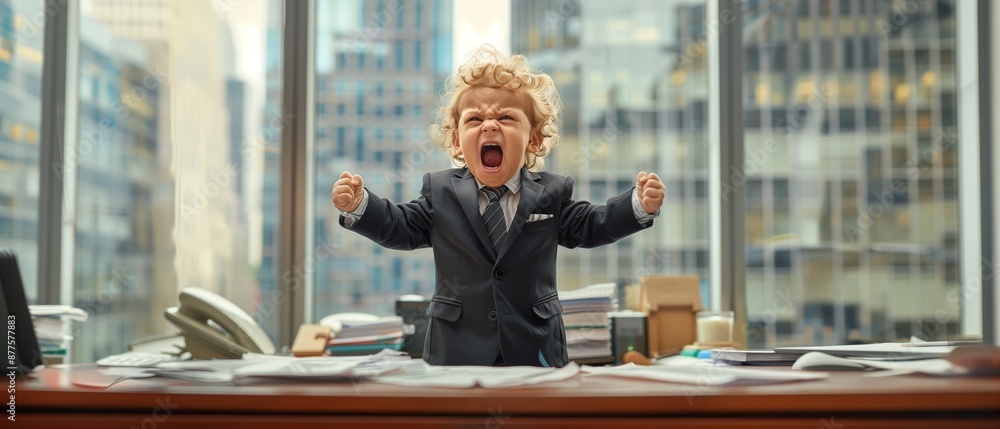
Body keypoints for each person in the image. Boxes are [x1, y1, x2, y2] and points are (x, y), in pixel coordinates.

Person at [332, 46, 664, 367]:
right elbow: (399, 227)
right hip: (456, 352)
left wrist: (637, 205)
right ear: (456, 142)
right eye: (475, 119)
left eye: (505, 117)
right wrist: (361, 206)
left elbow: (594, 224)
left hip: (535, 349)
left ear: (533, 139)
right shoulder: (440, 190)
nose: (490, 124)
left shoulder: (551, 192)